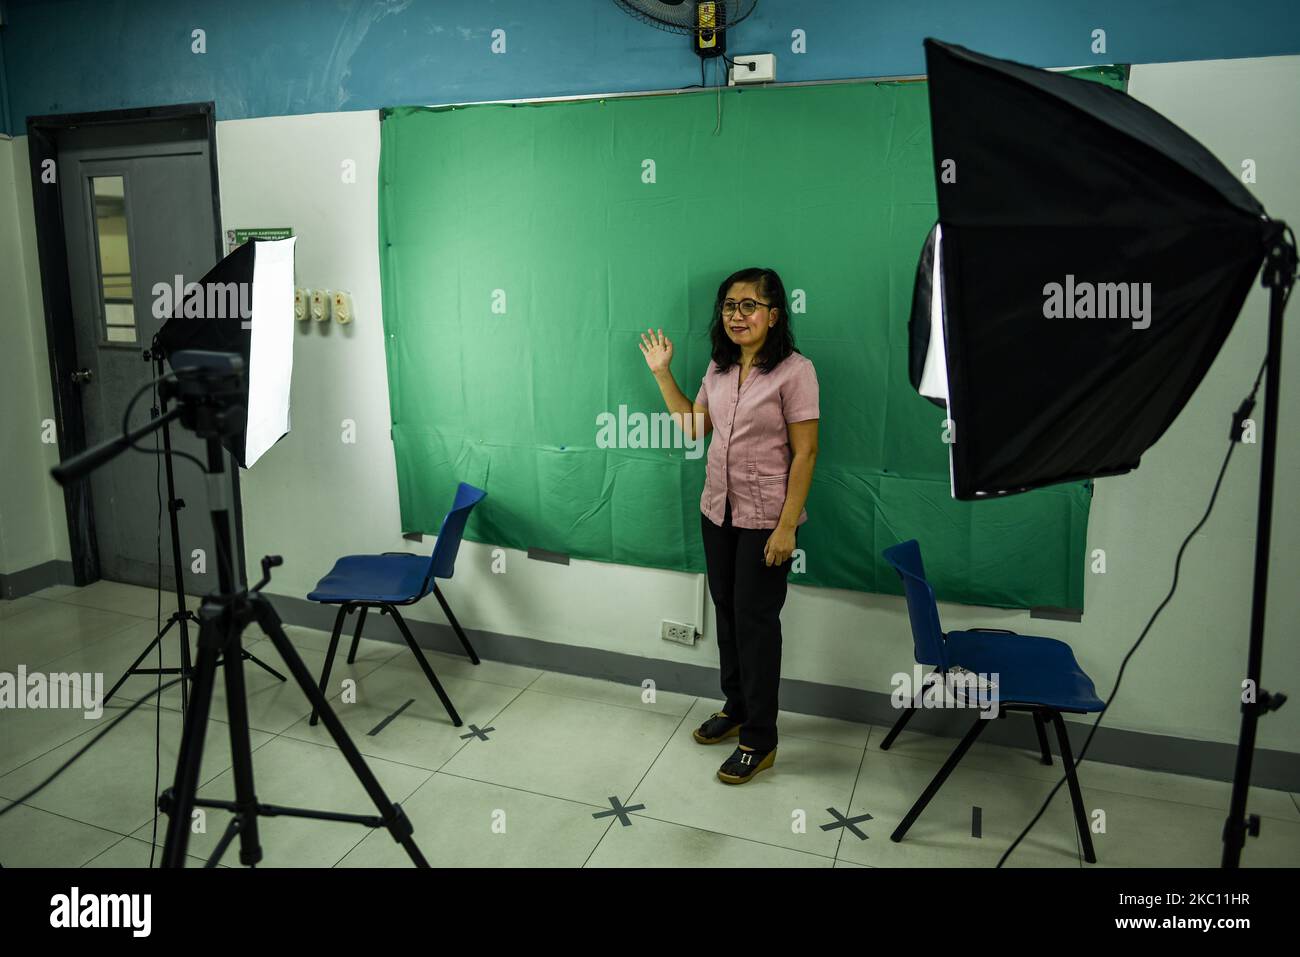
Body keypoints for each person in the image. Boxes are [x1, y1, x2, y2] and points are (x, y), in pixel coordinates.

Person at [639, 266, 819, 784]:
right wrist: (661, 372)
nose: (737, 315)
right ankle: (736, 706)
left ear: (773, 314)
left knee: (756, 623)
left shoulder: (795, 371)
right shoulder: (717, 370)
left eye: (748, 305)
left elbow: (805, 454)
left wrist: (786, 528)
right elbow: (696, 427)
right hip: (717, 510)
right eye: (729, 306)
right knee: (727, 611)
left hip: (768, 520)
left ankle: (760, 738)